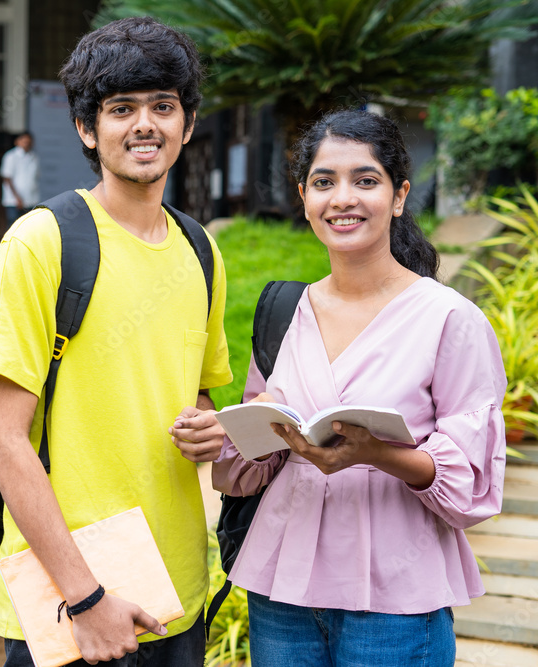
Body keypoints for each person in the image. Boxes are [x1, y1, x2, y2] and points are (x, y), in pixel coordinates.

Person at [0, 17, 232, 666]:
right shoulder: (43, 242)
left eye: (163, 106)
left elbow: (193, 394)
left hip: (179, 591)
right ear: (88, 128)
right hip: (72, 603)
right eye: (122, 109)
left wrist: (210, 426)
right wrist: (86, 598)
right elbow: (2, 438)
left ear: (187, 124)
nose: (145, 124)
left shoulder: (202, 251)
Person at [211, 110, 507, 666]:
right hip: (283, 590)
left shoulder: (450, 319)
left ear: (398, 197)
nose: (342, 197)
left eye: (365, 180)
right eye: (324, 182)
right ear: (304, 197)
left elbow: (472, 481)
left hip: (395, 595)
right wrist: (227, 431)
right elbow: (256, 453)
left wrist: (378, 455)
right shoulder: (284, 311)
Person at [0, 131, 39, 228]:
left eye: (29, 142)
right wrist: (17, 198)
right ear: (17, 142)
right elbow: (7, 177)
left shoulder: (34, 157)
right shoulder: (11, 156)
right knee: (14, 227)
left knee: (28, 228)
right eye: (24, 142)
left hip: (30, 200)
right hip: (14, 201)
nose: (27, 144)